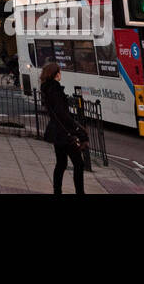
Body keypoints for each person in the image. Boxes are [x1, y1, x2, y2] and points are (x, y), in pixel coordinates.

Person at [40, 61, 88, 195]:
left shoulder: (47, 89)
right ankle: (80, 192)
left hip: (56, 132)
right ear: (55, 74)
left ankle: (57, 191)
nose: (61, 74)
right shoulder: (55, 90)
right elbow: (63, 114)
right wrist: (77, 130)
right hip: (64, 133)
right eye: (60, 72)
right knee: (78, 163)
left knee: (61, 163)